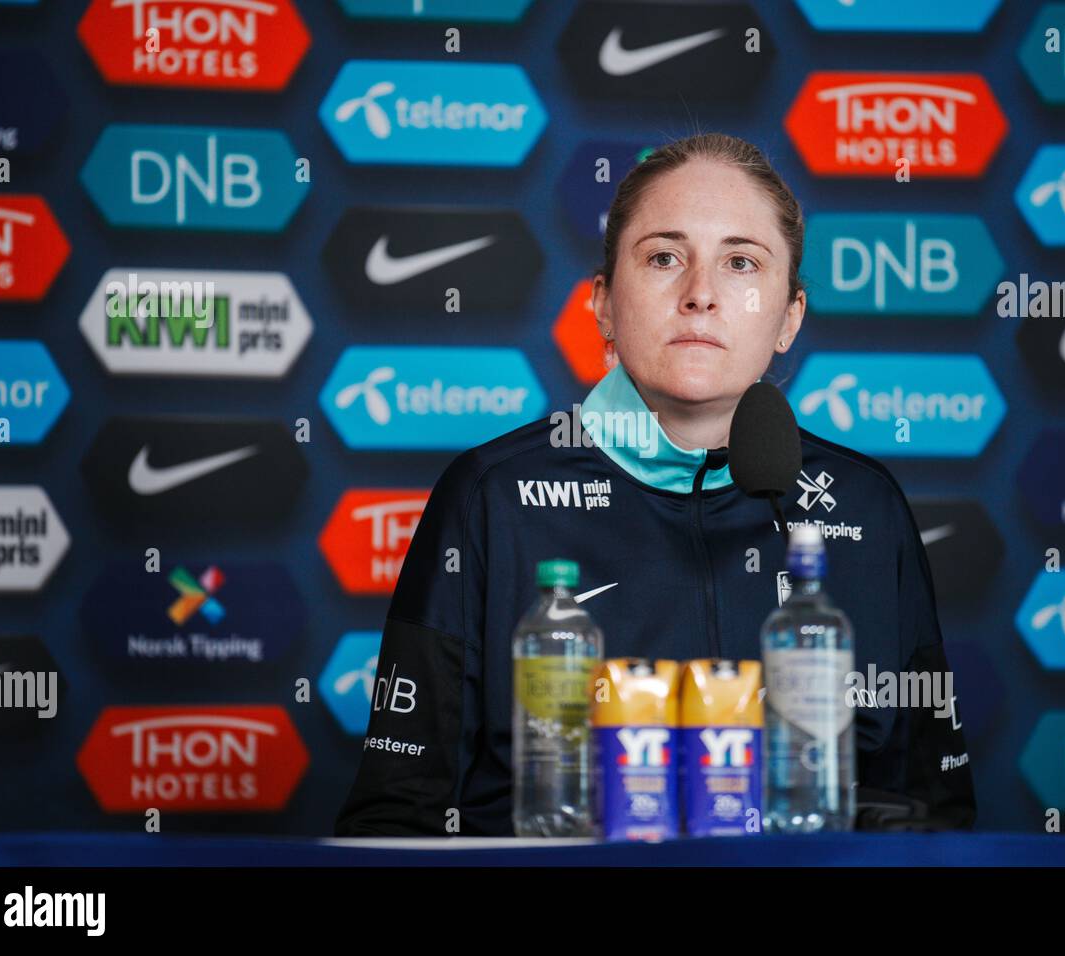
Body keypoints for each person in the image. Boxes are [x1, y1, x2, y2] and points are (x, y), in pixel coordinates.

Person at [335, 133, 976, 836]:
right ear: (604, 305)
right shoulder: (489, 497)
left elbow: (934, 817)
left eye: (740, 263)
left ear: (789, 316)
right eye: (664, 257)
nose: (700, 295)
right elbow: (397, 818)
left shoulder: (865, 506)